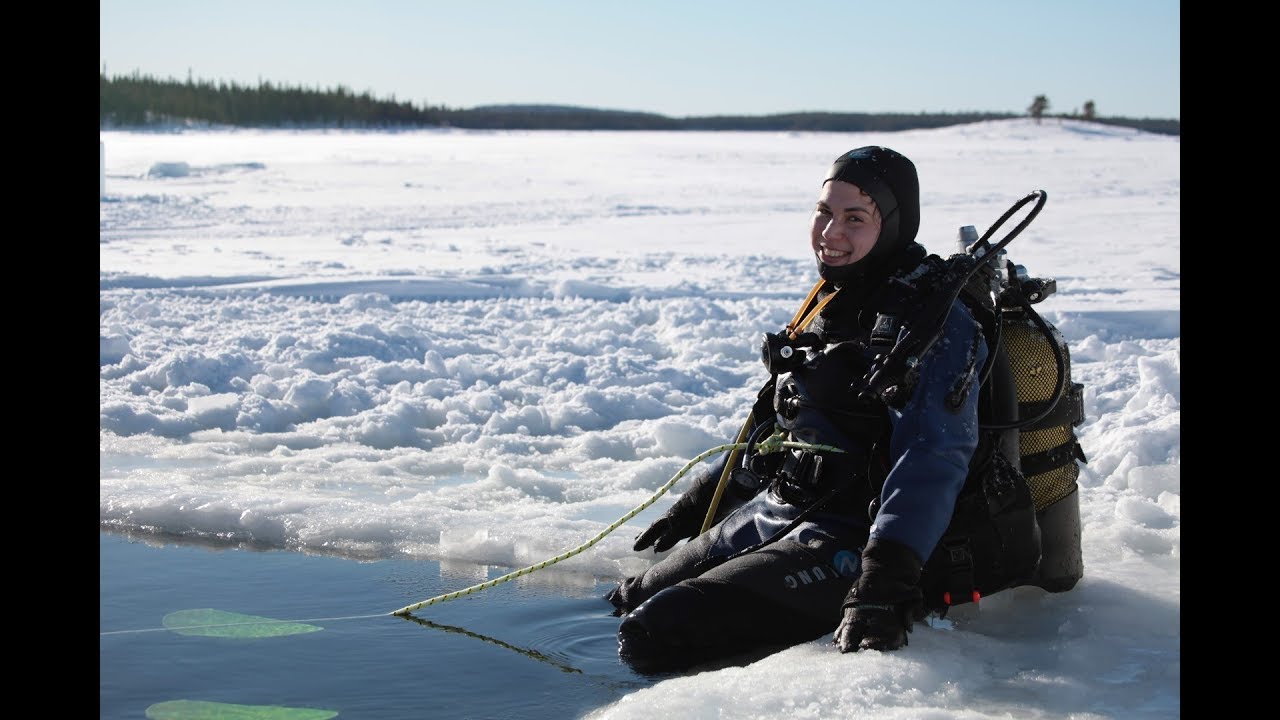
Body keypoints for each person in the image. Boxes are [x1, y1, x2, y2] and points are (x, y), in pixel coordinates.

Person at [604, 146, 994, 673]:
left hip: (859, 537)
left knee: (655, 632)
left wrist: (885, 578)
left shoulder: (932, 321)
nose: (831, 233)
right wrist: (704, 499)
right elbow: (784, 422)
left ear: (895, 222)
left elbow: (933, 456)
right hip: (787, 507)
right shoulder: (834, 297)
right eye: (824, 212)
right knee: (630, 599)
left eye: (855, 218)